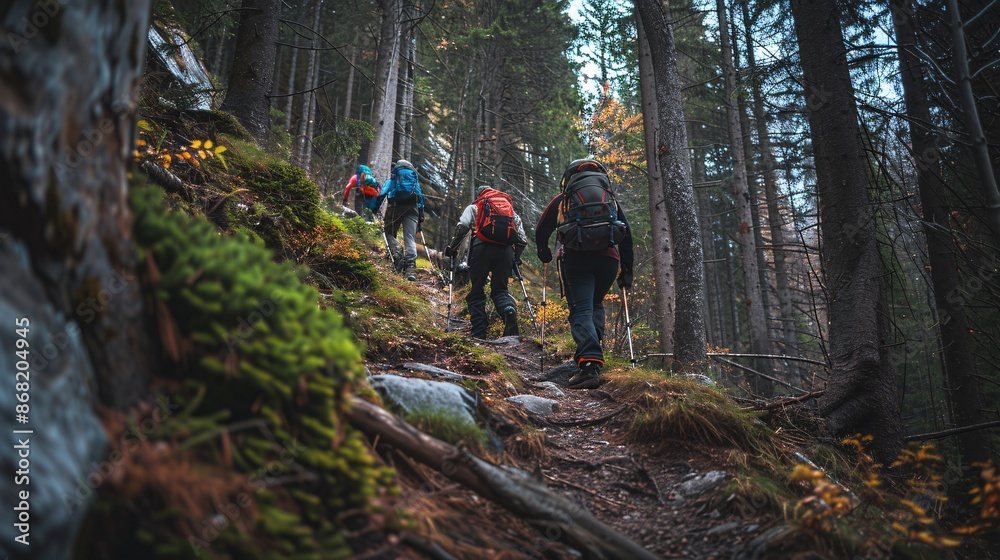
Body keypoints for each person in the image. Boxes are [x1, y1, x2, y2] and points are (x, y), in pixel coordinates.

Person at [535, 159, 633, 389]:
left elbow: (542, 229)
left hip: (576, 258)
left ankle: (589, 364)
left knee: (581, 308)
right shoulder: (609, 199)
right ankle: (594, 358)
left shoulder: (564, 199)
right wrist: (627, 272)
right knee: (595, 305)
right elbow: (627, 235)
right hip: (608, 260)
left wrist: (544, 252)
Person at [445, 185, 528, 340]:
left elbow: (462, 226)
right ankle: (509, 310)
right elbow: (522, 239)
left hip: (481, 249)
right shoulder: (510, 211)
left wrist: (452, 248)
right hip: (506, 252)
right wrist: (516, 257)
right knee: (500, 290)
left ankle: (479, 332)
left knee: (476, 290)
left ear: (480, 195)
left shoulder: (475, 207)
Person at [373, 159, 424, 281]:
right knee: (410, 238)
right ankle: (410, 268)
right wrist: (420, 216)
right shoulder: (414, 183)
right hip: (413, 210)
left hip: (395, 207)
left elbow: (382, 194)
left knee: (388, 232)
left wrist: (374, 209)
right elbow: (420, 199)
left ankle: (396, 253)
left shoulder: (393, 180)